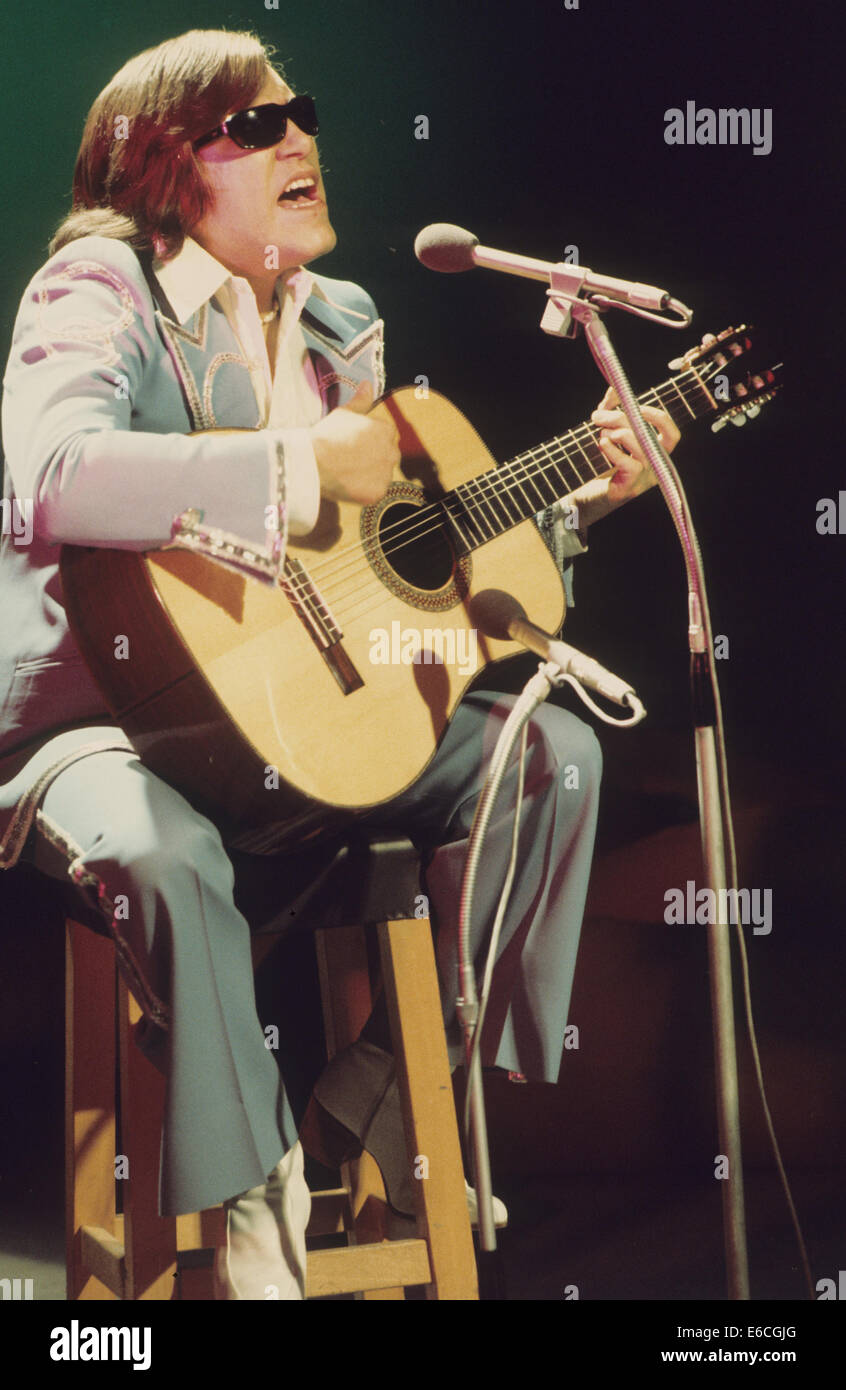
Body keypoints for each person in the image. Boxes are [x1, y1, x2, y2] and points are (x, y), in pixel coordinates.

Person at [0, 29, 679, 1299]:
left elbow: (374, 568)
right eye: (254, 126)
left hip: (290, 729)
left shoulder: (343, 323)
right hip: (103, 725)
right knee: (160, 851)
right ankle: (253, 1197)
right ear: (163, 164)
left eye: (300, 113)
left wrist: (578, 504)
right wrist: (298, 465)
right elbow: (51, 477)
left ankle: (381, 1087)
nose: (299, 135)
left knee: (554, 758)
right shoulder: (100, 289)